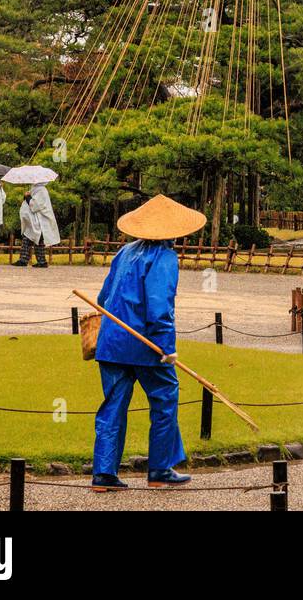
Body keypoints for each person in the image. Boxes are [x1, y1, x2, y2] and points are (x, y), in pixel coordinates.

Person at [90, 194, 203, 492]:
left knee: (112, 406)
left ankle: (103, 474)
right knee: (165, 399)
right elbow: (159, 307)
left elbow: (103, 299)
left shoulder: (125, 252)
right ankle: (160, 468)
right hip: (145, 345)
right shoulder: (164, 257)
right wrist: (168, 348)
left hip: (112, 342)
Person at [16, 182, 59, 268]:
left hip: (39, 220)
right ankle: (27, 260)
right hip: (34, 220)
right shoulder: (35, 189)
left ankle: (38, 261)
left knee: (35, 239)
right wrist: (27, 196)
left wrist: (28, 197)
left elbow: (36, 206)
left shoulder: (41, 191)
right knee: (29, 238)